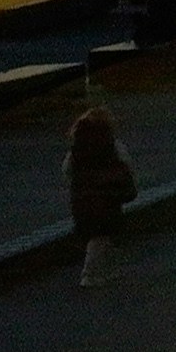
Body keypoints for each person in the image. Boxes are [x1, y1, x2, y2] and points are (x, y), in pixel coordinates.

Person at [65, 100, 139, 287]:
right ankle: (89, 274)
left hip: (82, 199)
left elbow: (66, 169)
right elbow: (127, 164)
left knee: (96, 236)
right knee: (102, 237)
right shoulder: (112, 146)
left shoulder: (76, 149)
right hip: (107, 198)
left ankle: (105, 270)